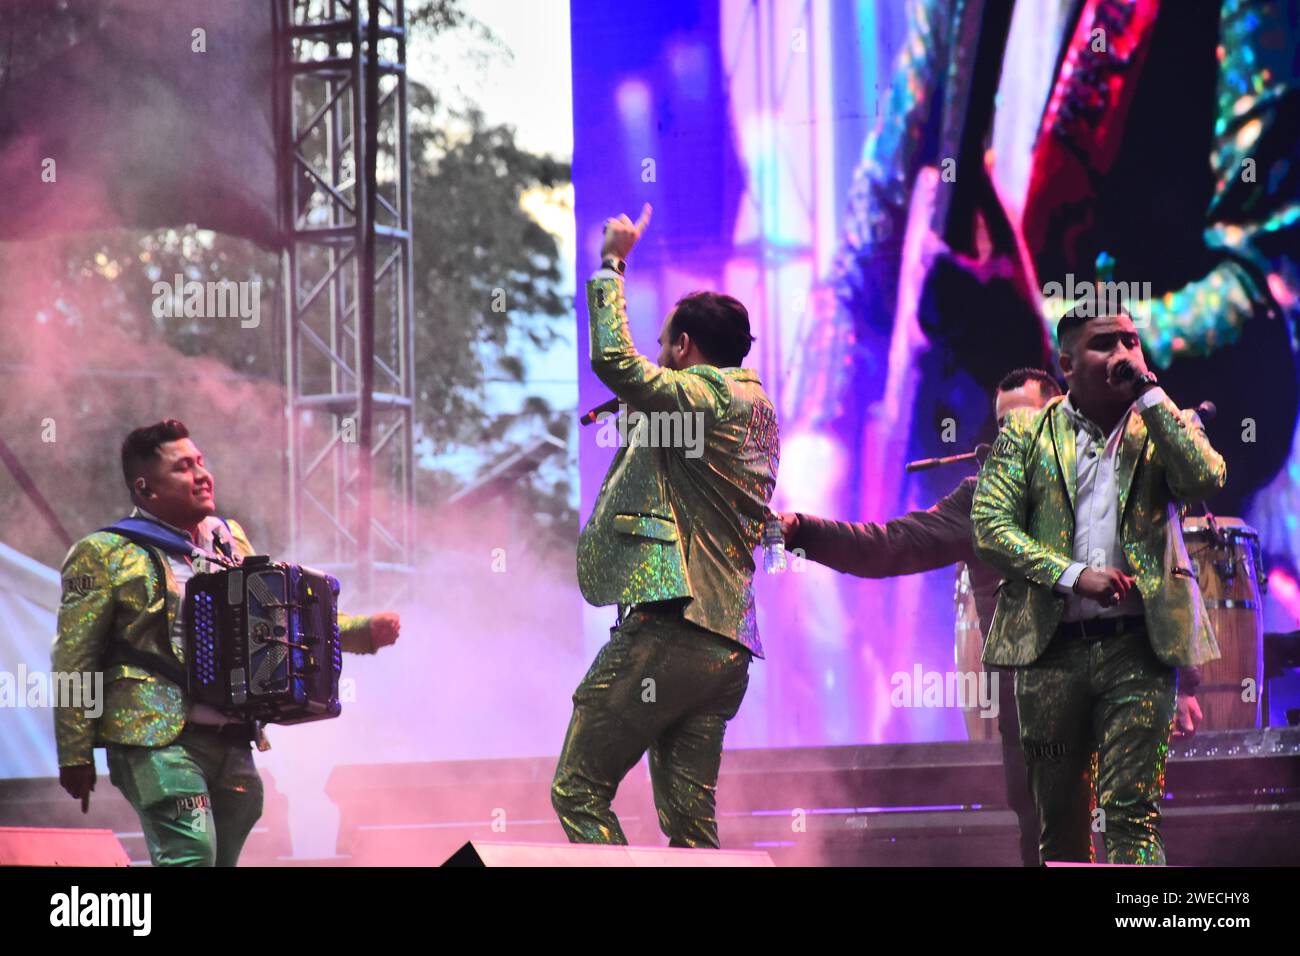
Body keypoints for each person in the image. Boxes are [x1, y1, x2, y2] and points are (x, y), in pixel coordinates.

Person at [52, 419, 400, 866]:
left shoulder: (226, 538)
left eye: (200, 461)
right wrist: (74, 751)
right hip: (155, 738)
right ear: (145, 488)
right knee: (191, 853)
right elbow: (74, 657)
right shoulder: (105, 552)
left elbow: (282, 613)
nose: (202, 474)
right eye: (183, 467)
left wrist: (362, 631)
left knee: (221, 859)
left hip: (231, 736)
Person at [551, 205, 781, 848]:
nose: (657, 356)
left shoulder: (708, 393)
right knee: (690, 828)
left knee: (578, 788)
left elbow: (616, 361)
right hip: (724, 645)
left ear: (684, 349)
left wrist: (612, 264)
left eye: (663, 346)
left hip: (672, 629)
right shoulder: (756, 406)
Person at [971, 307, 1225, 864]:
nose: (1122, 355)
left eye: (1131, 341)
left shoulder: (1166, 423)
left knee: (1133, 817)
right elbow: (989, 526)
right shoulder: (1026, 432)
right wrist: (1072, 575)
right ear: (1067, 364)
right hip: (1050, 653)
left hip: (1140, 650)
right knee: (1059, 824)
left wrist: (1150, 395)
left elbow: (1204, 478)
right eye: (1105, 344)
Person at [778, 367, 1061, 866]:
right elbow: (891, 545)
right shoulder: (982, 497)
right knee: (1041, 835)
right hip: (1025, 702)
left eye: (1025, 420)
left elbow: (1154, 570)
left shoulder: (1096, 483)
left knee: (1114, 830)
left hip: (1100, 685)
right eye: (1003, 424)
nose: (1012, 434)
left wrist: (1184, 682)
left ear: (1059, 420)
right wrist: (802, 531)